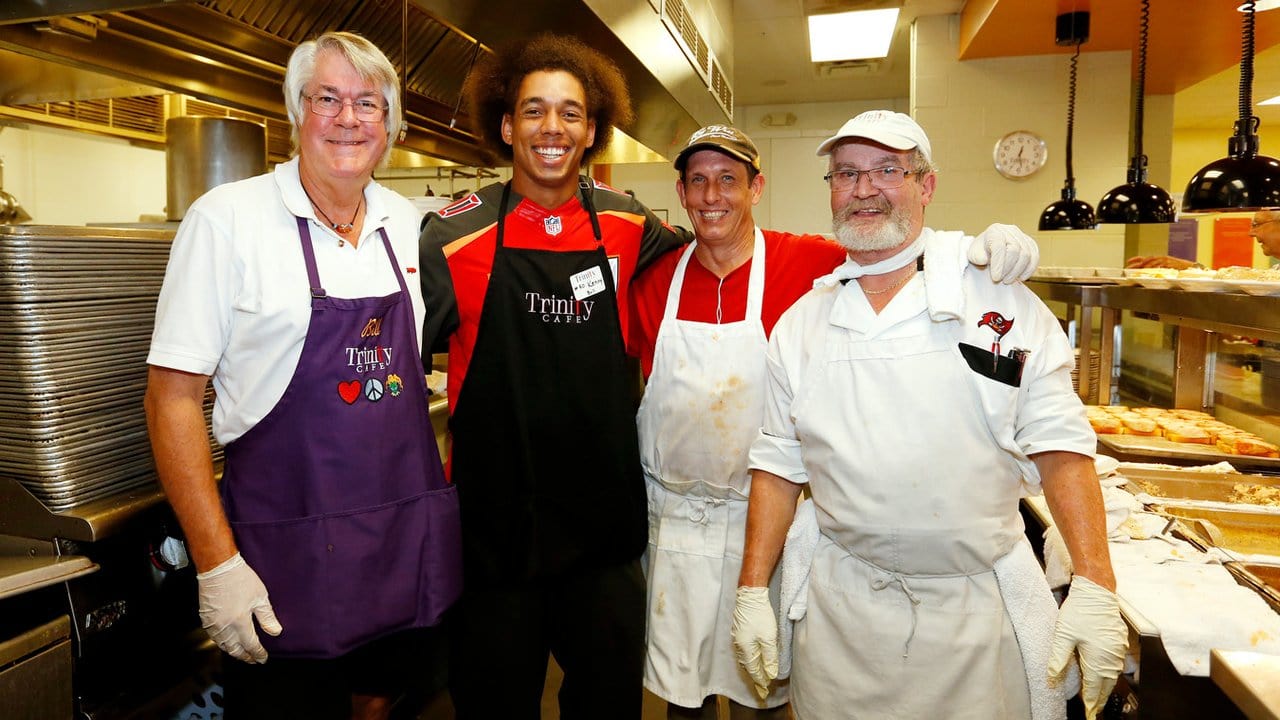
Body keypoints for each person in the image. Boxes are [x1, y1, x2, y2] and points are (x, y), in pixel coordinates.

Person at [630, 124, 1042, 720]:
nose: (712, 195)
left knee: (760, 689)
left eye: (728, 180)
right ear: (681, 192)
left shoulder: (808, 260)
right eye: (698, 181)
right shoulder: (653, 279)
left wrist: (975, 250)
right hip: (672, 524)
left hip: (762, 519)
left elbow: (893, 243)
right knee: (679, 693)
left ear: (756, 188)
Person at [729, 110, 1127, 720]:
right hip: (839, 617)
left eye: (888, 170)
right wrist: (753, 587)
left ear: (927, 185)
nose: (864, 189)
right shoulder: (804, 323)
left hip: (973, 618)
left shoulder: (996, 299)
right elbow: (778, 463)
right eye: (846, 173)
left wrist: (1095, 583)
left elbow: (1060, 445)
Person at [144, 31, 461, 720]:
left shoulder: (407, 223)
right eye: (327, 99)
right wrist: (216, 563)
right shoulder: (227, 220)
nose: (349, 119)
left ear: (390, 124)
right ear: (295, 112)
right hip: (283, 557)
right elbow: (172, 399)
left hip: (396, 545)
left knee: (382, 703)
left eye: (368, 103)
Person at [416, 34, 690, 719]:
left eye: (571, 113)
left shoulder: (628, 223)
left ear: (592, 130)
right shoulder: (451, 237)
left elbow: (718, 265)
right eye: (534, 111)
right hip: (493, 535)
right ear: (507, 126)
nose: (552, 128)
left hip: (602, 534)